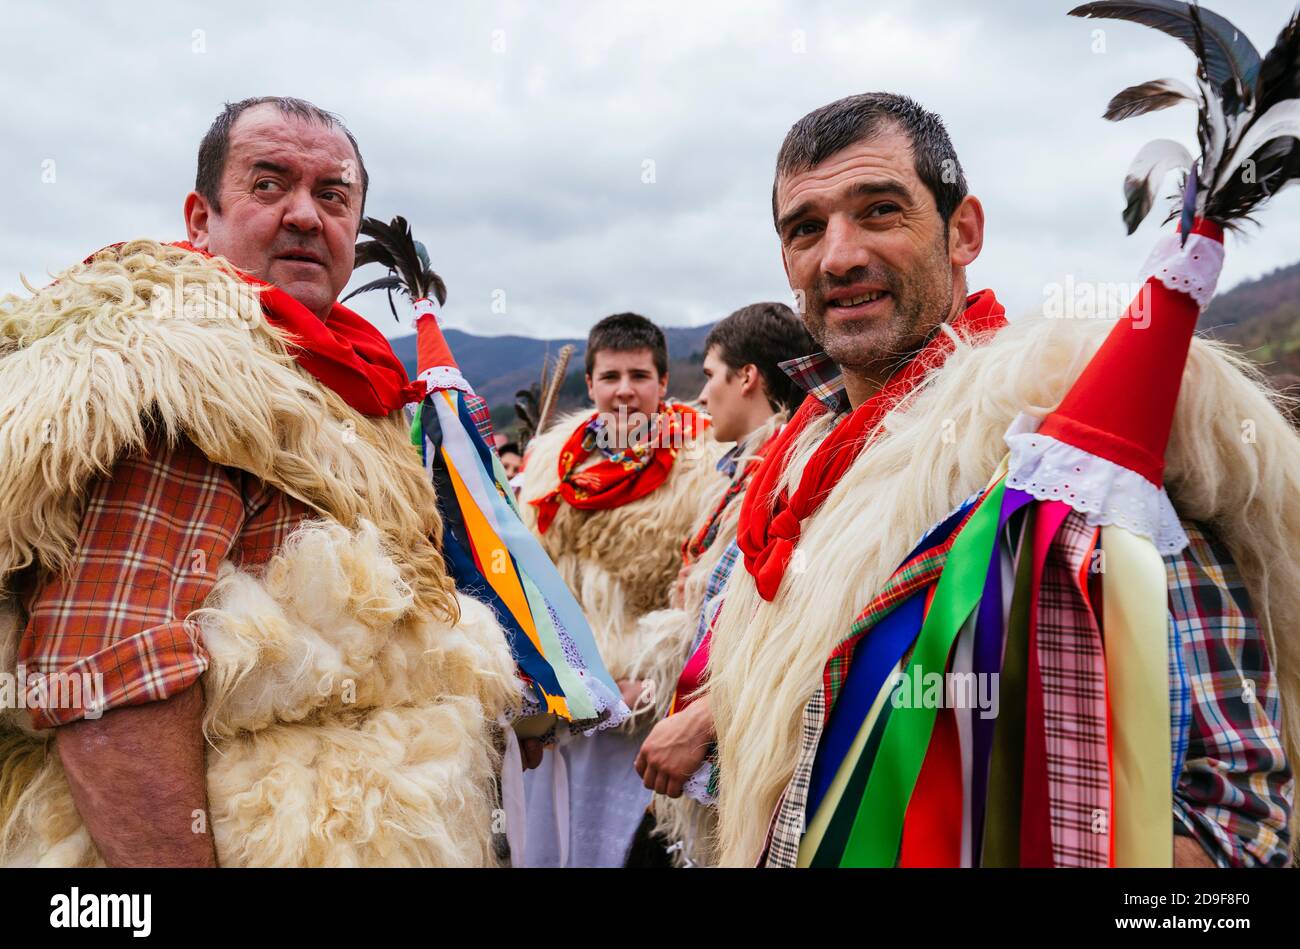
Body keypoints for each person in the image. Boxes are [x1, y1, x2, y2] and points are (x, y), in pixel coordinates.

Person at [705, 92, 1297, 868]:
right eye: (806, 228)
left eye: (879, 210)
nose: (838, 255)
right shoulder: (790, 474)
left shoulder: (1066, 445)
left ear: (963, 230)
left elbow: (1239, 833)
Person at [0, 96, 522, 866]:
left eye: (334, 196)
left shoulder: (344, 381)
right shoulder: (179, 375)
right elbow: (106, 672)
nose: (307, 216)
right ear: (200, 218)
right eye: (269, 185)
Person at [517, 312, 727, 867]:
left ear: (662, 383)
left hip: (650, 712)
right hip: (567, 707)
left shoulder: (704, 466)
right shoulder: (550, 468)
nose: (625, 391)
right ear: (589, 385)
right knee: (559, 846)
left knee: (642, 853)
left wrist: (657, 679)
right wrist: (545, 679)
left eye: (639, 376)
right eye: (611, 377)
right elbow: (529, 585)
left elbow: (707, 594)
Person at [632, 302, 815, 867]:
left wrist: (704, 715)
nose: (703, 395)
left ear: (747, 377)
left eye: (711, 376)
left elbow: (782, 623)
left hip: (746, 750)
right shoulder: (740, 474)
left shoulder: (791, 473)